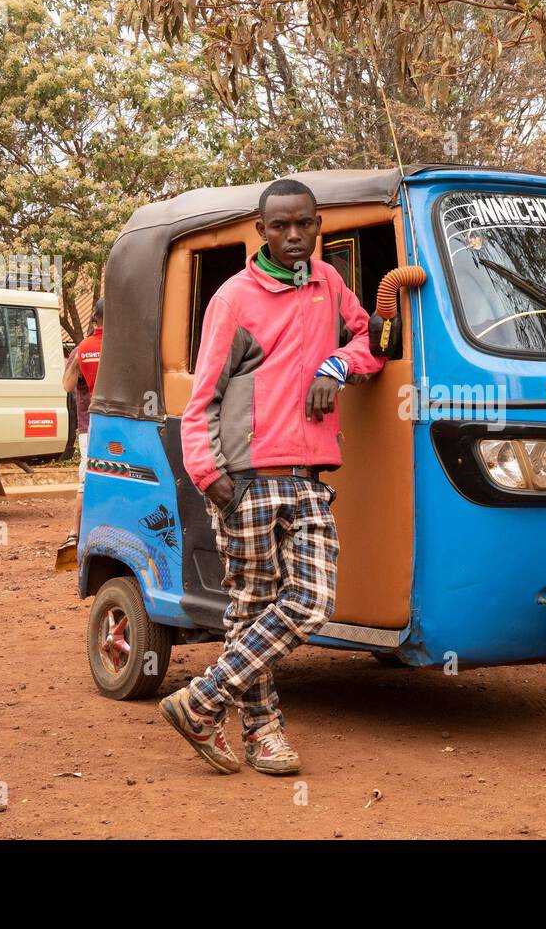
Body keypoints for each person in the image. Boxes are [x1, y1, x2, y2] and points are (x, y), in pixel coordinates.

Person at [160, 178, 386, 775]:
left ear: (318, 227)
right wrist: (210, 477)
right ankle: (265, 736)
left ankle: (201, 699)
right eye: (280, 226)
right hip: (247, 477)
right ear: (260, 231)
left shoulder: (329, 284)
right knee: (252, 607)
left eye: (303, 225)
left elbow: (371, 338)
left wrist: (337, 366)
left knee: (310, 603)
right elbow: (202, 397)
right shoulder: (234, 298)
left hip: (309, 475)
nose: (293, 236)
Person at [61, 298, 103, 549]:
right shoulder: (121, 346)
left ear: (93, 319)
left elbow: (67, 386)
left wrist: (78, 362)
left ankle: (74, 534)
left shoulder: (82, 349)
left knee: (86, 479)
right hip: (120, 423)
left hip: (89, 425)